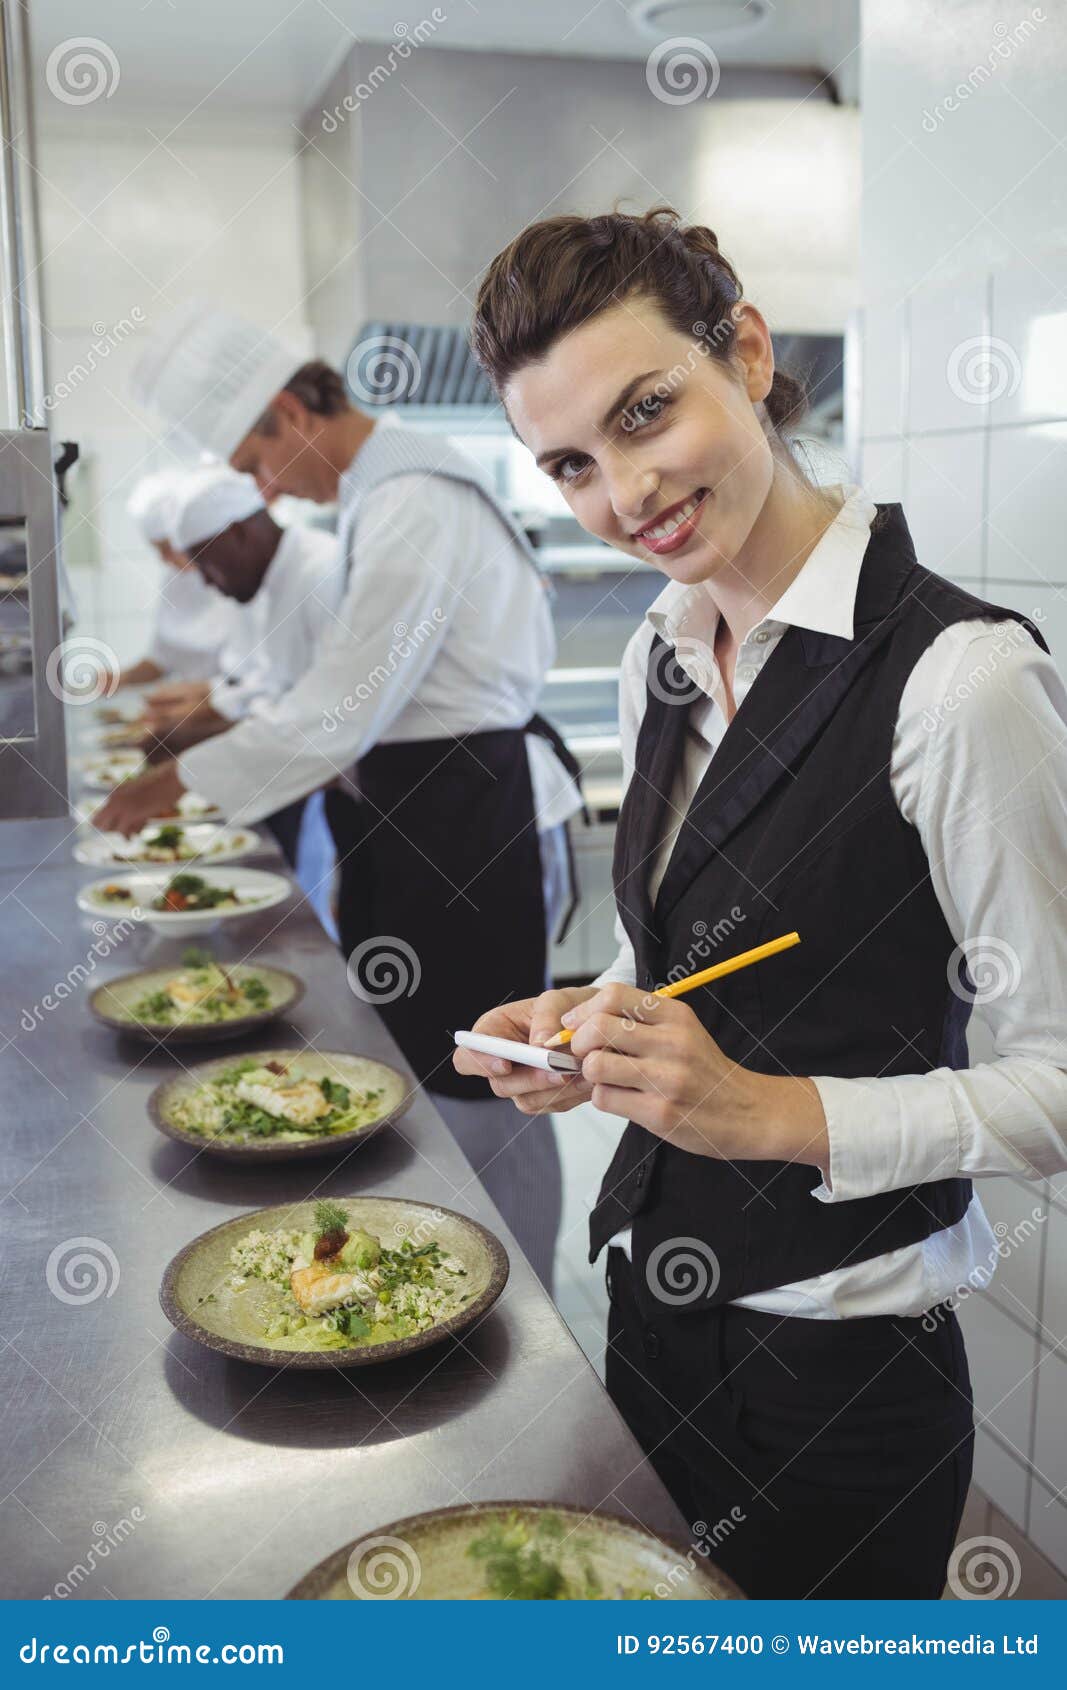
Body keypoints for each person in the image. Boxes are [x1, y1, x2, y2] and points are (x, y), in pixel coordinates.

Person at [454, 207, 1067, 1598]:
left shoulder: (957, 682)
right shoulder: (661, 656)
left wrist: (763, 1111)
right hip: (651, 1316)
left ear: (742, 350)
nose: (620, 494)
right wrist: (594, 1017)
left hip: (843, 1367)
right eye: (568, 464)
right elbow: (686, 949)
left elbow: (1056, 1083)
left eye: (645, 411)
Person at [94, 304, 583, 1294]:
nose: (261, 490)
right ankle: (435, 1258)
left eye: (252, 462)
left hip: (461, 822)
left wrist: (176, 776)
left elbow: (341, 707)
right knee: (414, 1054)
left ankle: (525, 1300)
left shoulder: (412, 497)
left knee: (482, 1073)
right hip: (409, 813)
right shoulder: (374, 492)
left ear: (286, 412)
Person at [140, 464, 341, 870]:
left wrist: (188, 763)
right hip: (303, 767)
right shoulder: (273, 575)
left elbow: (318, 716)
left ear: (239, 535)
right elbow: (269, 685)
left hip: (371, 785)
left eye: (208, 567)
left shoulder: (320, 571)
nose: (210, 586)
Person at [111, 470, 235, 689]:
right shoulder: (176, 580)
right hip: (196, 710)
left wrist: (210, 698)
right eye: (158, 550)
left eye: (168, 547)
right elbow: (162, 658)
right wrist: (117, 680)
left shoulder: (239, 578)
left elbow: (254, 673)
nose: (164, 559)